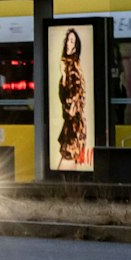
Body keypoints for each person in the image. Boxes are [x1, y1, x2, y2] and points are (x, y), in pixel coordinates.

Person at [57, 28, 89, 168]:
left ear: (75, 47)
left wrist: (64, 76)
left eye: (72, 41)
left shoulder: (72, 67)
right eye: (67, 40)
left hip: (73, 123)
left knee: (67, 163)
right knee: (71, 166)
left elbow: (76, 93)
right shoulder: (69, 65)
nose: (68, 44)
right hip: (73, 122)